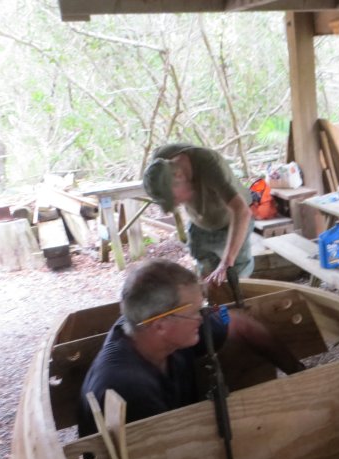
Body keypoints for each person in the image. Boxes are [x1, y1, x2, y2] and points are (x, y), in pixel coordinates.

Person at [78, 259, 304, 437]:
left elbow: (234, 319)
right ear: (160, 325)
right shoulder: (129, 391)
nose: (203, 317)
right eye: (196, 311)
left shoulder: (152, 327)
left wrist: (299, 373)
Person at [142, 143, 254, 287]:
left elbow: (242, 211)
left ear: (180, 175)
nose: (176, 205)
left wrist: (226, 263)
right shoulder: (161, 163)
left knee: (235, 278)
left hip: (232, 222)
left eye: (174, 199)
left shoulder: (210, 165)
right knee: (205, 276)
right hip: (199, 223)